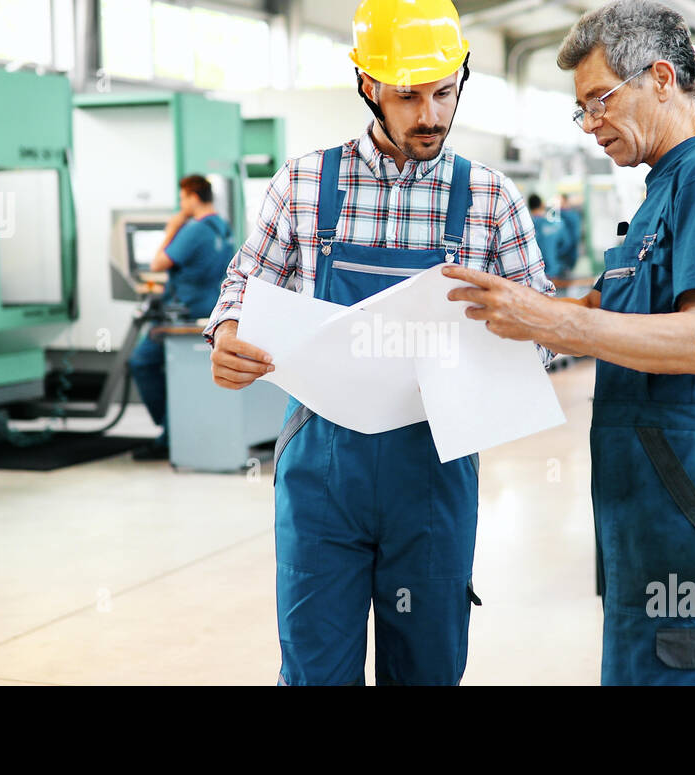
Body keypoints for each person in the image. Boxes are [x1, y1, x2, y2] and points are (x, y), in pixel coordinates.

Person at [204, 0, 554, 685]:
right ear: (367, 84)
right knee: (315, 667)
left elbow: (542, 338)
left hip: (432, 471)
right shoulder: (303, 184)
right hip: (321, 473)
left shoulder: (490, 198)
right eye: (408, 95)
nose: (430, 115)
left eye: (444, 92)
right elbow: (241, 287)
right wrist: (227, 335)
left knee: (426, 667)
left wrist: (509, 336)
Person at [442, 0, 695, 686]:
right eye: (581, 110)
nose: (591, 124)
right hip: (650, 492)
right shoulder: (665, 187)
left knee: (686, 668)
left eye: (599, 101)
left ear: (661, 78)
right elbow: (605, 309)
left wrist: (548, 321)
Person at [128, 174, 234, 461]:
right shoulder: (223, 227)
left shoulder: (193, 229)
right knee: (188, 377)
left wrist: (171, 228)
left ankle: (169, 432)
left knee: (141, 362)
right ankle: (179, 430)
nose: (180, 203)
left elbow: (158, 263)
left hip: (183, 313)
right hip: (212, 310)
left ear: (192, 196)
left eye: (181, 198)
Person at [527, 193, 566, 279]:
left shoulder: (527, 227)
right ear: (542, 205)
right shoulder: (556, 225)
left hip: (536, 276)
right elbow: (566, 244)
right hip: (556, 272)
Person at [557, 194, 583, 275]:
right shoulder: (572, 215)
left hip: (566, 255)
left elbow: (574, 237)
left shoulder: (564, 215)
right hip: (568, 255)